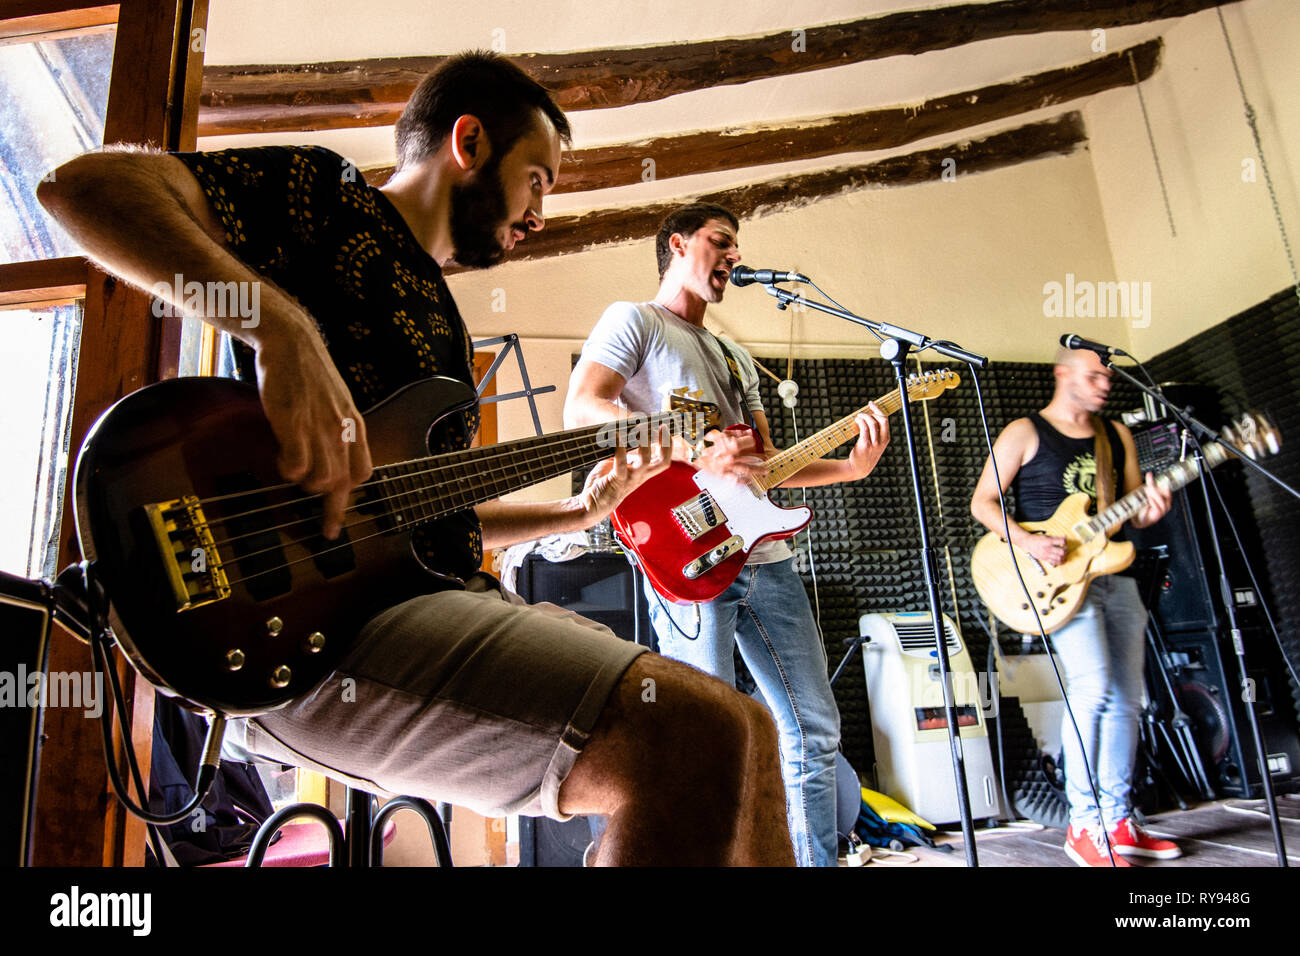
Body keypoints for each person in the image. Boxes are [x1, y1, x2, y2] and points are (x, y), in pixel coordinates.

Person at [38, 51, 796, 866]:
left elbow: (415, 518)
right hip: (307, 621)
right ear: (468, 142)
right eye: (537, 179)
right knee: (688, 733)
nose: (540, 214)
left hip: (420, 594)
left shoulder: (440, 323)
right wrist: (277, 327)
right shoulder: (328, 197)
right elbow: (83, 190)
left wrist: (581, 512)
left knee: (747, 729)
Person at [564, 203, 891, 866]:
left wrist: (849, 467)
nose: (735, 256)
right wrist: (690, 446)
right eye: (722, 241)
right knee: (701, 737)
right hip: (684, 555)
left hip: (766, 557)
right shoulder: (636, 321)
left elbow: (766, 467)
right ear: (678, 244)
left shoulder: (736, 356)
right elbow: (585, 407)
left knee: (813, 727)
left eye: (739, 246)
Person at [970, 345, 1179, 867]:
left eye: (1108, 379)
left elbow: (1130, 514)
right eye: (1094, 376)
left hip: (1115, 574)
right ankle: (1084, 826)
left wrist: (1152, 510)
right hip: (1057, 581)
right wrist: (1031, 542)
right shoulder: (1026, 431)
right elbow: (982, 503)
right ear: (1064, 375)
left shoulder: (1117, 436)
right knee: (1094, 690)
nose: (1105, 385)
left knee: (1129, 698)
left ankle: (1118, 820)